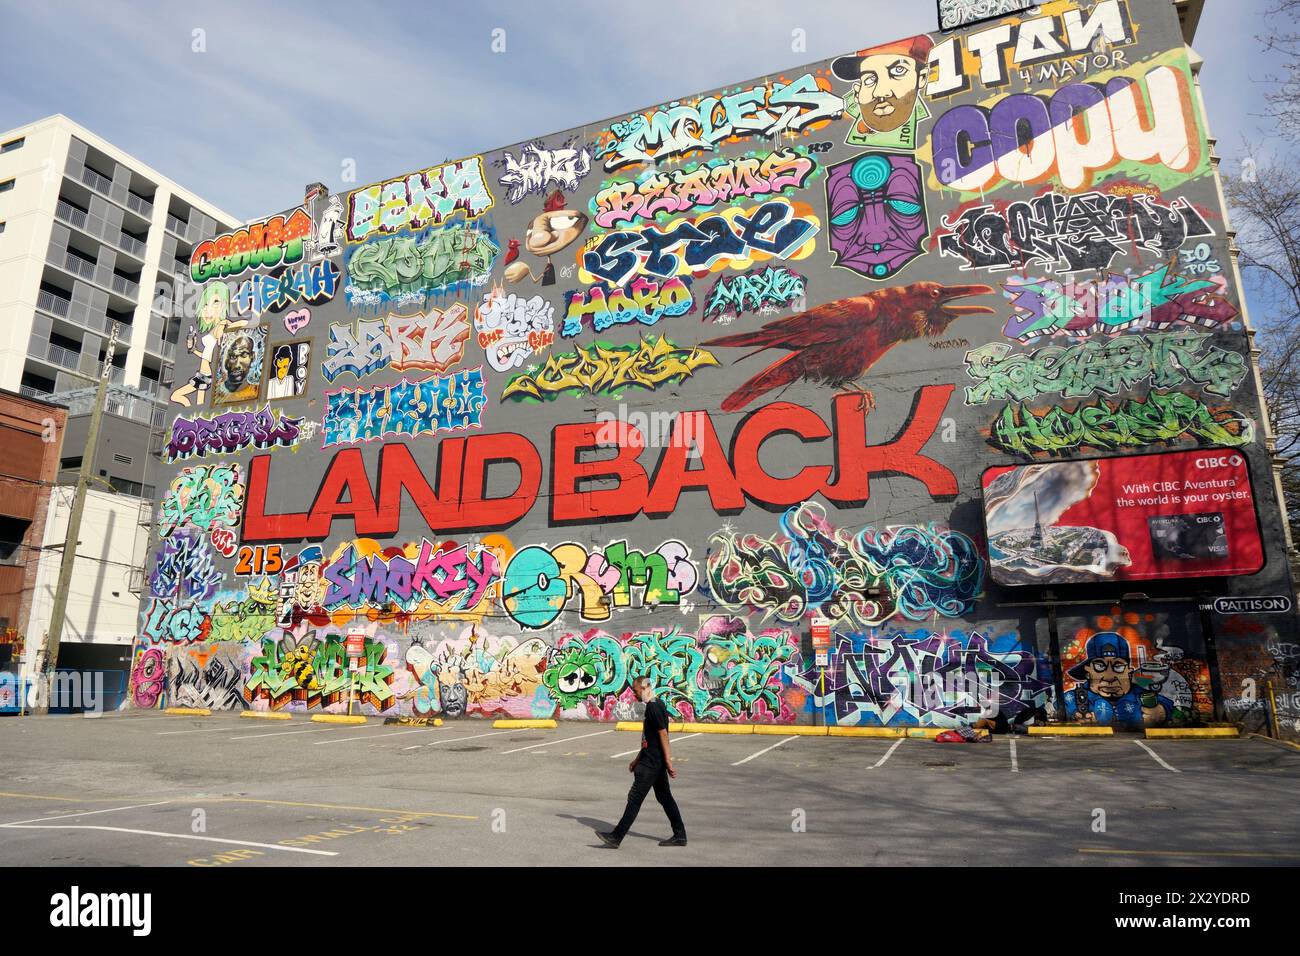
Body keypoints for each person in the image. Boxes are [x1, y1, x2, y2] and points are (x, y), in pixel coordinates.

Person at [598, 677, 687, 848]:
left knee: (635, 799)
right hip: (652, 761)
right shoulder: (656, 704)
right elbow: (649, 739)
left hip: (652, 764)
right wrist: (637, 759)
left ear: (646, 687)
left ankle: (616, 837)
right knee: (665, 798)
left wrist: (668, 762)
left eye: (636, 690)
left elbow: (663, 735)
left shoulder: (654, 707)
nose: (634, 693)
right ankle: (680, 835)